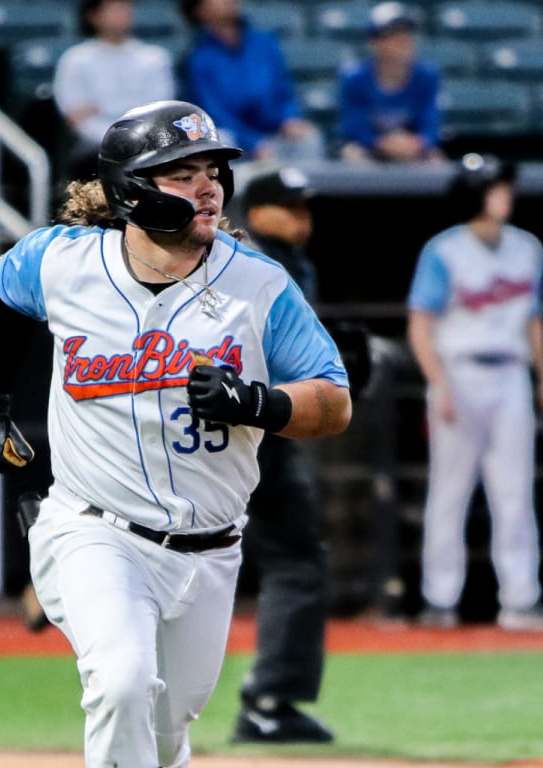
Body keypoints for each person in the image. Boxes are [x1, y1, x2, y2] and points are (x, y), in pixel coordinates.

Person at [0, 100, 351, 768]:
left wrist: (257, 402)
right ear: (131, 190)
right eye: (182, 173)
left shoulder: (258, 285)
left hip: (210, 551)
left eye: (212, 171)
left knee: (166, 732)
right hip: (96, 528)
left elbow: (334, 402)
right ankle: (51, 549)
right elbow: (4, 293)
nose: (208, 187)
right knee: (121, 683)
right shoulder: (62, 261)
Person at [405, 153, 543, 632]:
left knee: (514, 492)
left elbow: (534, 320)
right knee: (450, 492)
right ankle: (439, 600)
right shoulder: (444, 250)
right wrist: (438, 384)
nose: (505, 195)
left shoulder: (527, 248)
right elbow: (420, 325)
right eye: (495, 188)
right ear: (474, 196)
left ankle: (520, 599)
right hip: (459, 372)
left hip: (511, 373)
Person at [227, 166, 334, 744]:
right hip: (232, 433)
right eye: (291, 207)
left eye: (306, 207)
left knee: (294, 555)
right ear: (259, 210)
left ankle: (271, 699)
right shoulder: (243, 261)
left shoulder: (286, 262)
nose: (303, 218)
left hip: (263, 430)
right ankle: (268, 699)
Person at [178, 0, 325, 162]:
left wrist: (289, 119)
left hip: (275, 134)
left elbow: (283, 91)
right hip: (237, 141)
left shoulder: (265, 43)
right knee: (222, 138)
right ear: (200, 11)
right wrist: (253, 143)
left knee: (308, 137)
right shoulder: (198, 58)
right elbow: (214, 114)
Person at [52, 0, 175, 181]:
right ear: (93, 16)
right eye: (114, 9)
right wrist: (114, 141)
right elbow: (74, 116)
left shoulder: (155, 58)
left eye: (126, 8)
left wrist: (99, 108)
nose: (122, 14)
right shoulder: (75, 59)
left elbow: (159, 111)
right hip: (94, 145)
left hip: (147, 142)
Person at [337, 1, 443, 163]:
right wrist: (380, 143)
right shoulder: (354, 78)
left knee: (436, 160)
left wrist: (417, 143)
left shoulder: (427, 75)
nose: (403, 40)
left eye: (407, 34)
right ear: (375, 43)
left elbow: (430, 125)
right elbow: (354, 127)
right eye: (392, 35)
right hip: (370, 149)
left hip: (413, 149)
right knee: (352, 155)